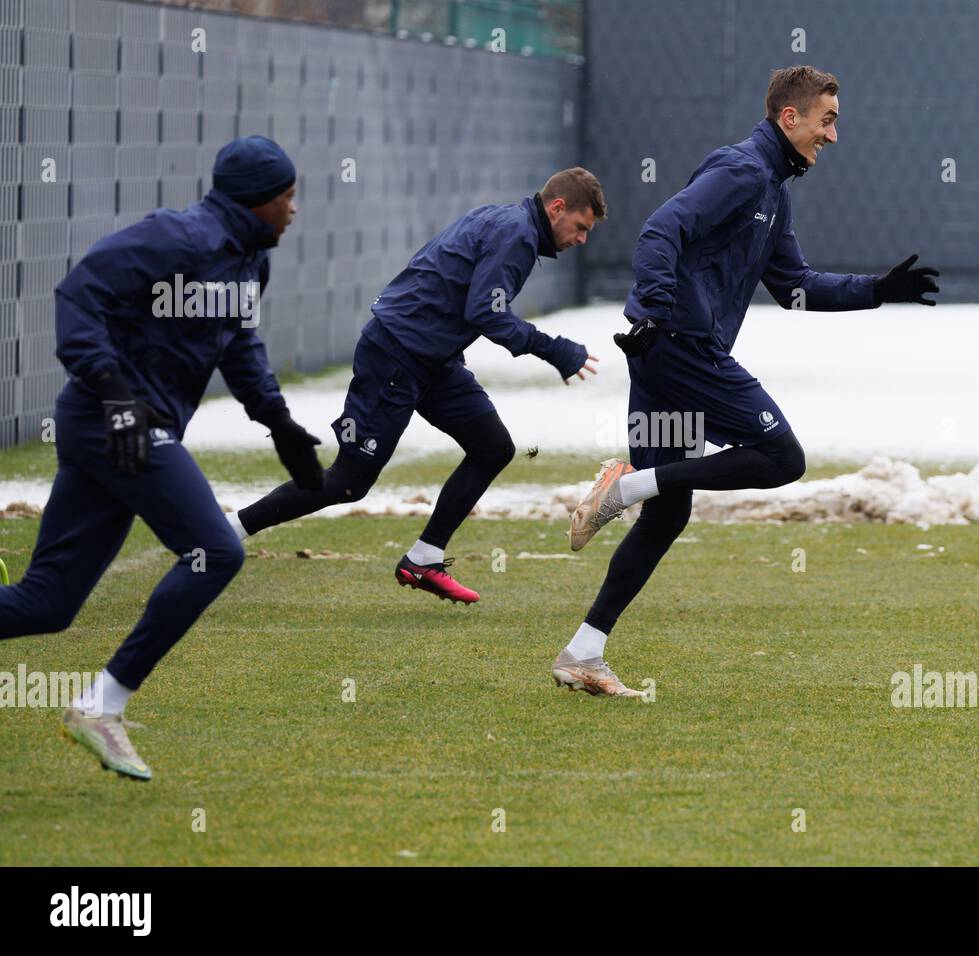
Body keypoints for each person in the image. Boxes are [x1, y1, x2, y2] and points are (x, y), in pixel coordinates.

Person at [555, 67, 940, 697]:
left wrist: (877, 290)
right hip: (677, 347)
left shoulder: (774, 191)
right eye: (828, 120)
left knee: (667, 514)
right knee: (781, 456)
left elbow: (795, 288)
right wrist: (655, 309)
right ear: (791, 119)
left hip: (665, 353)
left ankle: (583, 652)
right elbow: (661, 230)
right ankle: (629, 486)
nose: (833, 136)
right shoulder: (742, 171)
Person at [0, 136, 323, 777]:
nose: (294, 209)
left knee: (46, 604)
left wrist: (278, 422)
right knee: (217, 551)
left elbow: (239, 346)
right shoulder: (178, 238)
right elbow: (78, 296)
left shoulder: (249, 259)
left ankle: (100, 706)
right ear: (258, 200)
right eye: (287, 196)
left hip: (125, 427)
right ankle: (102, 706)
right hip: (111, 422)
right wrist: (116, 394)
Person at [226, 168, 606, 604]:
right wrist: (553, 348)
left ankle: (422, 558)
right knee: (349, 481)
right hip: (397, 354)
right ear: (557, 208)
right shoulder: (515, 234)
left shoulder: (508, 222)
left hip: (434, 359)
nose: (581, 240)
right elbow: (487, 312)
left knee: (492, 447)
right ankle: (230, 531)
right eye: (581, 227)